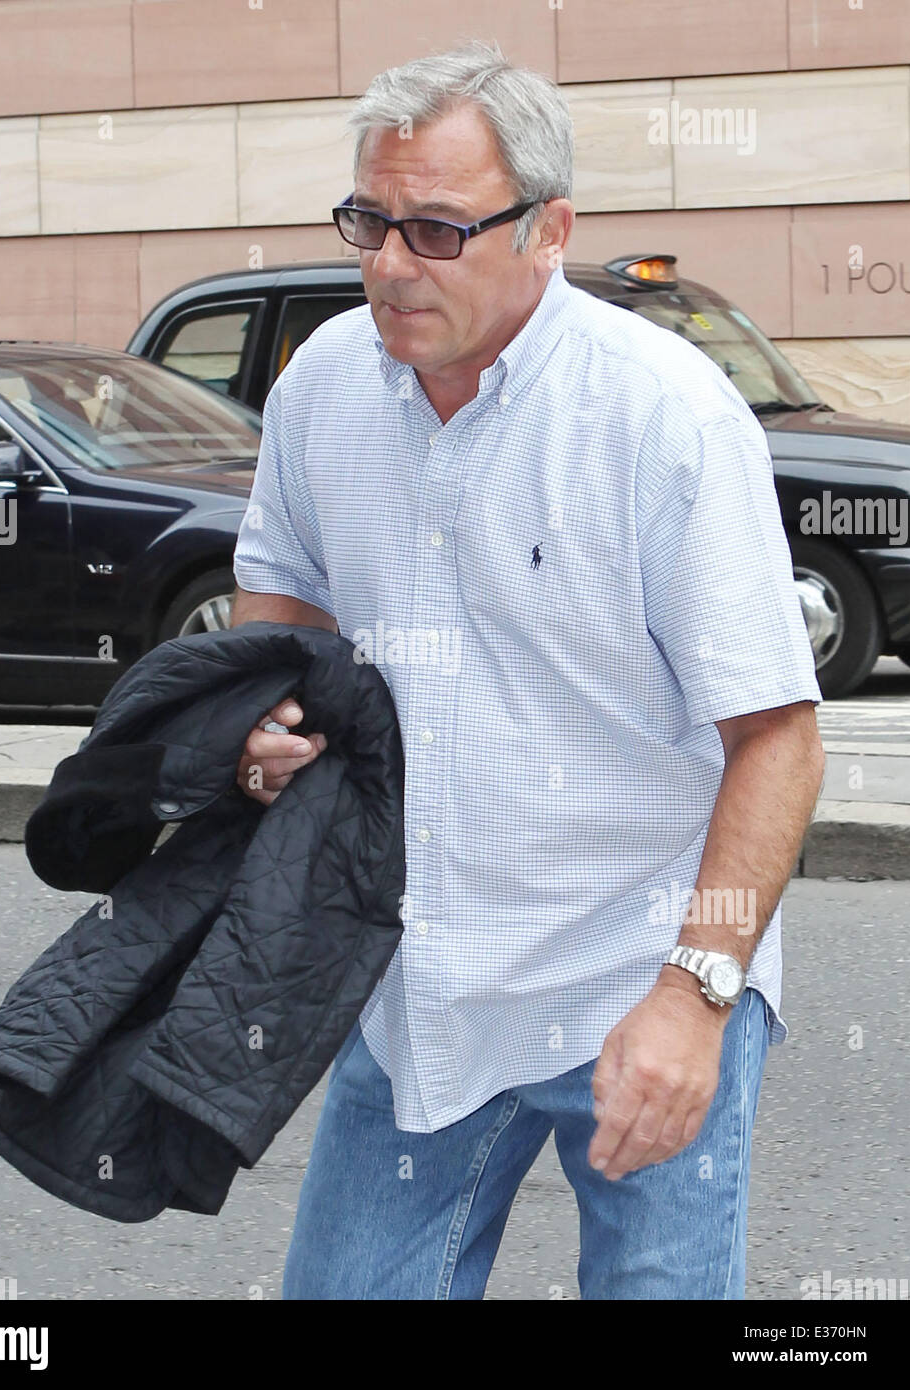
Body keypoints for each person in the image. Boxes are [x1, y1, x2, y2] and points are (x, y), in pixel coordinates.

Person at [229, 39, 825, 1300]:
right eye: (369, 222)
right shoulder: (322, 388)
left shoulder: (664, 416)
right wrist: (270, 711)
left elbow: (777, 738)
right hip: (422, 981)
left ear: (548, 229)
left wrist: (699, 993)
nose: (390, 265)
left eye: (437, 231)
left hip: (643, 967)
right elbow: (283, 606)